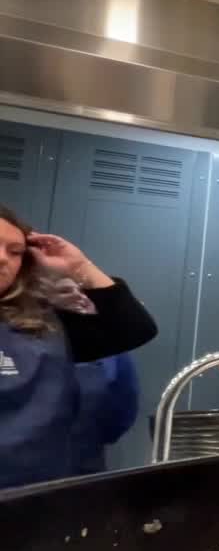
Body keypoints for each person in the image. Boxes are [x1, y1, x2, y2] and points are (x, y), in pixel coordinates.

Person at [0, 205, 157, 488]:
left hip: (40, 501)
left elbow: (135, 328)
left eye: (15, 251)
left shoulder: (42, 325)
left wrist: (79, 268)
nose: (3, 259)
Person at [48, 277, 141, 475]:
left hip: (84, 471)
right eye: (65, 291)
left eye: (82, 291)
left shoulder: (110, 349)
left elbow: (122, 412)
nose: (76, 295)